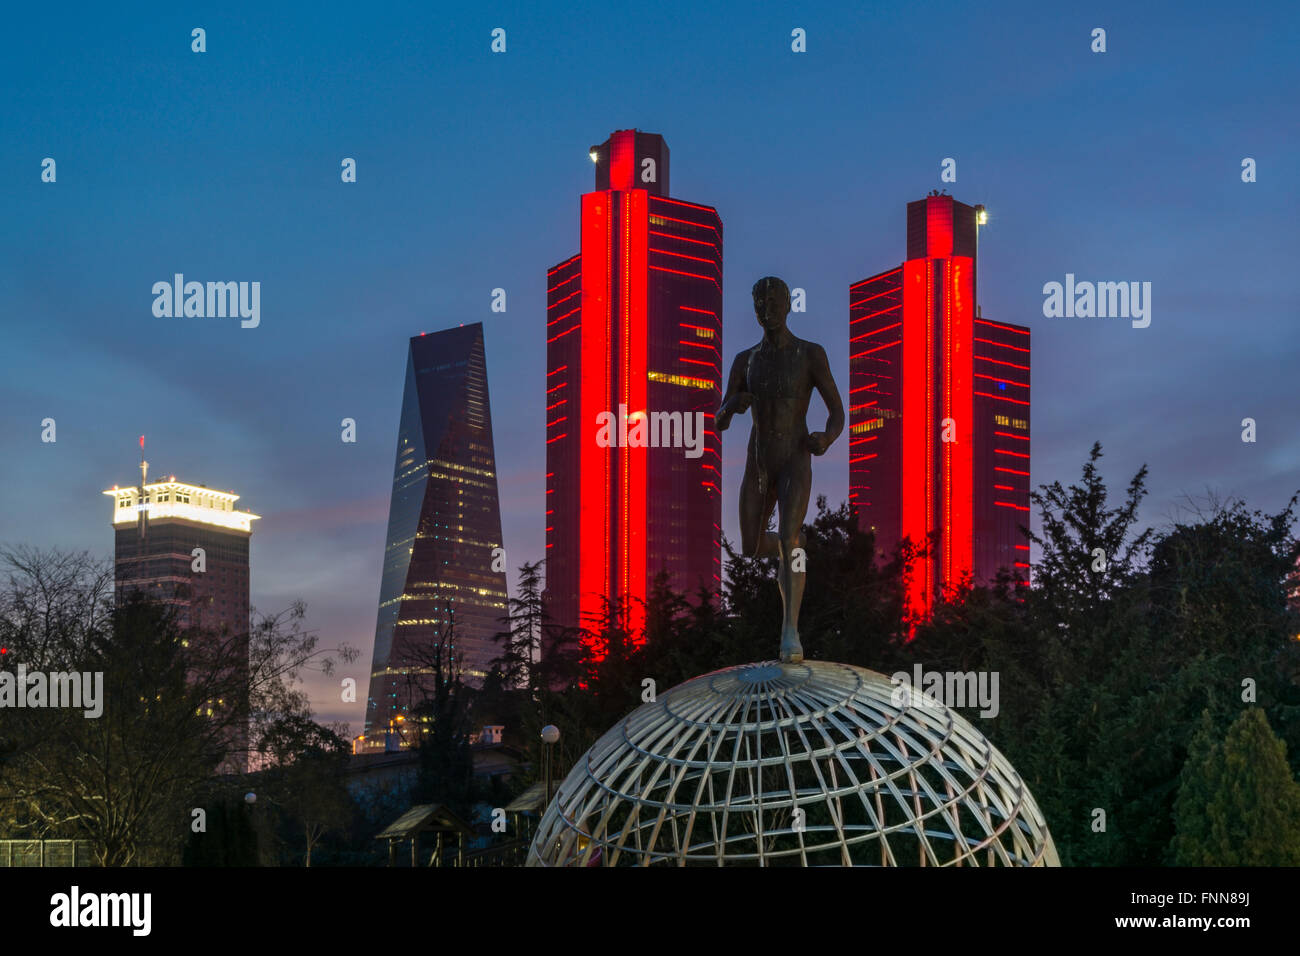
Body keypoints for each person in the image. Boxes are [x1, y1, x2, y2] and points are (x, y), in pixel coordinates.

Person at [717, 276, 844, 663]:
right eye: (760, 303)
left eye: (774, 303)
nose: (766, 310)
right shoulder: (745, 360)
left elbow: (838, 412)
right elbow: (719, 419)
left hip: (794, 457)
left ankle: (790, 629)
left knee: (788, 538)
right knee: (752, 547)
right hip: (759, 458)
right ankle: (793, 549)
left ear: (788, 306)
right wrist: (734, 403)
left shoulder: (810, 354)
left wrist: (826, 438)